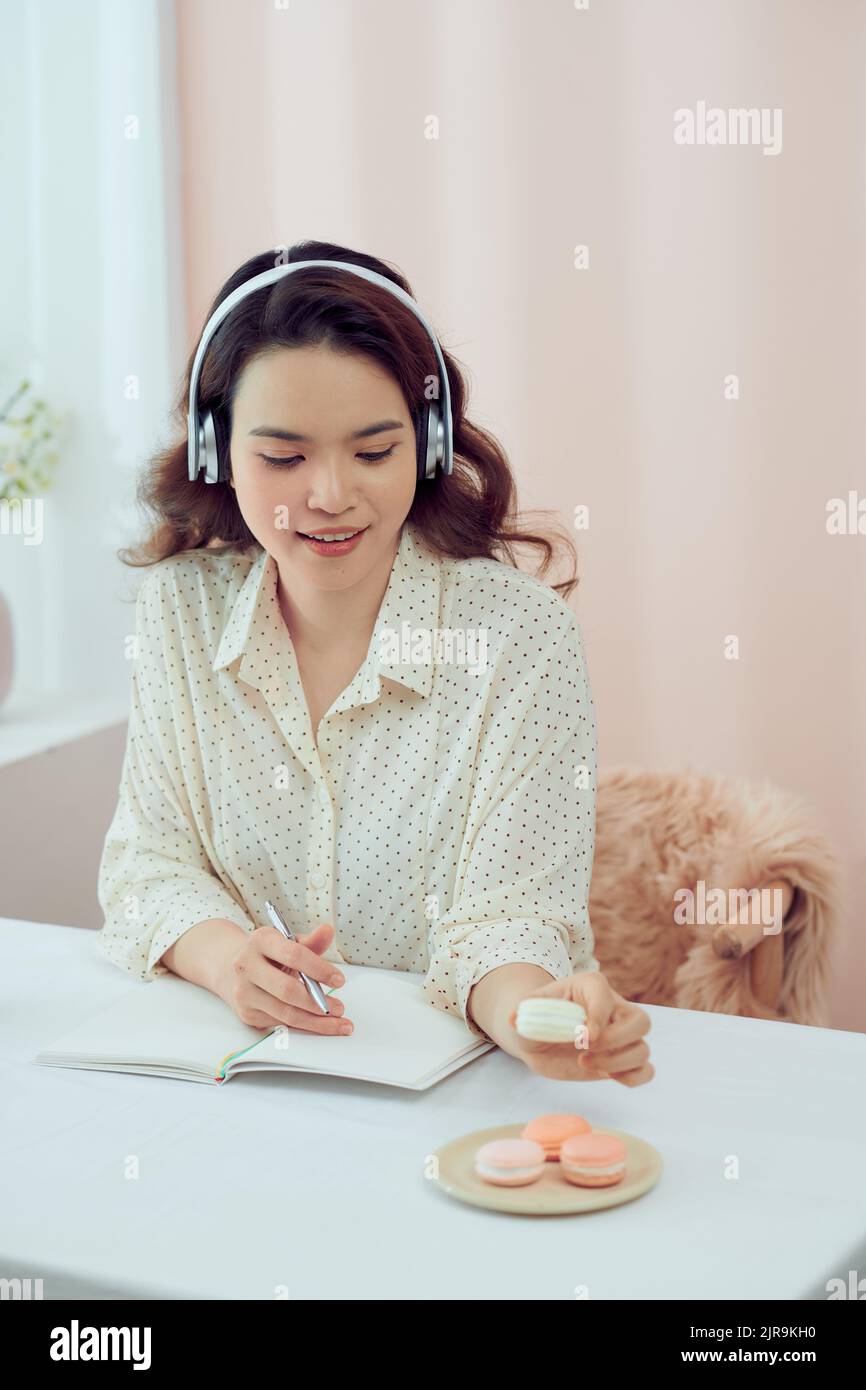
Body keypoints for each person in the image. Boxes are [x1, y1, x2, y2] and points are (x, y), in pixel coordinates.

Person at [97, 239, 653, 1087]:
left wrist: (533, 1019)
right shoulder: (180, 613)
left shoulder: (519, 638)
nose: (329, 495)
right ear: (216, 453)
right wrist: (226, 963)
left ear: (428, 446)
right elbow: (148, 867)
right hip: (243, 1095)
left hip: (449, 1103)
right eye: (283, 457)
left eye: (374, 452)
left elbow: (507, 922)